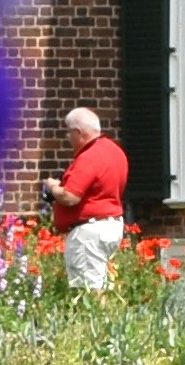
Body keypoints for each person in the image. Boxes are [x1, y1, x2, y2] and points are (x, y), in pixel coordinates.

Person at [44, 99, 130, 293]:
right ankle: (106, 323)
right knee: (102, 287)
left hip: (89, 231)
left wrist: (52, 188)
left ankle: (93, 324)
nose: (68, 137)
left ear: (79, 132)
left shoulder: (89, 156)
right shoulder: (114, 151)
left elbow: (71, 197)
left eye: (69, 132)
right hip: (110, 225)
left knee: (87, 291)